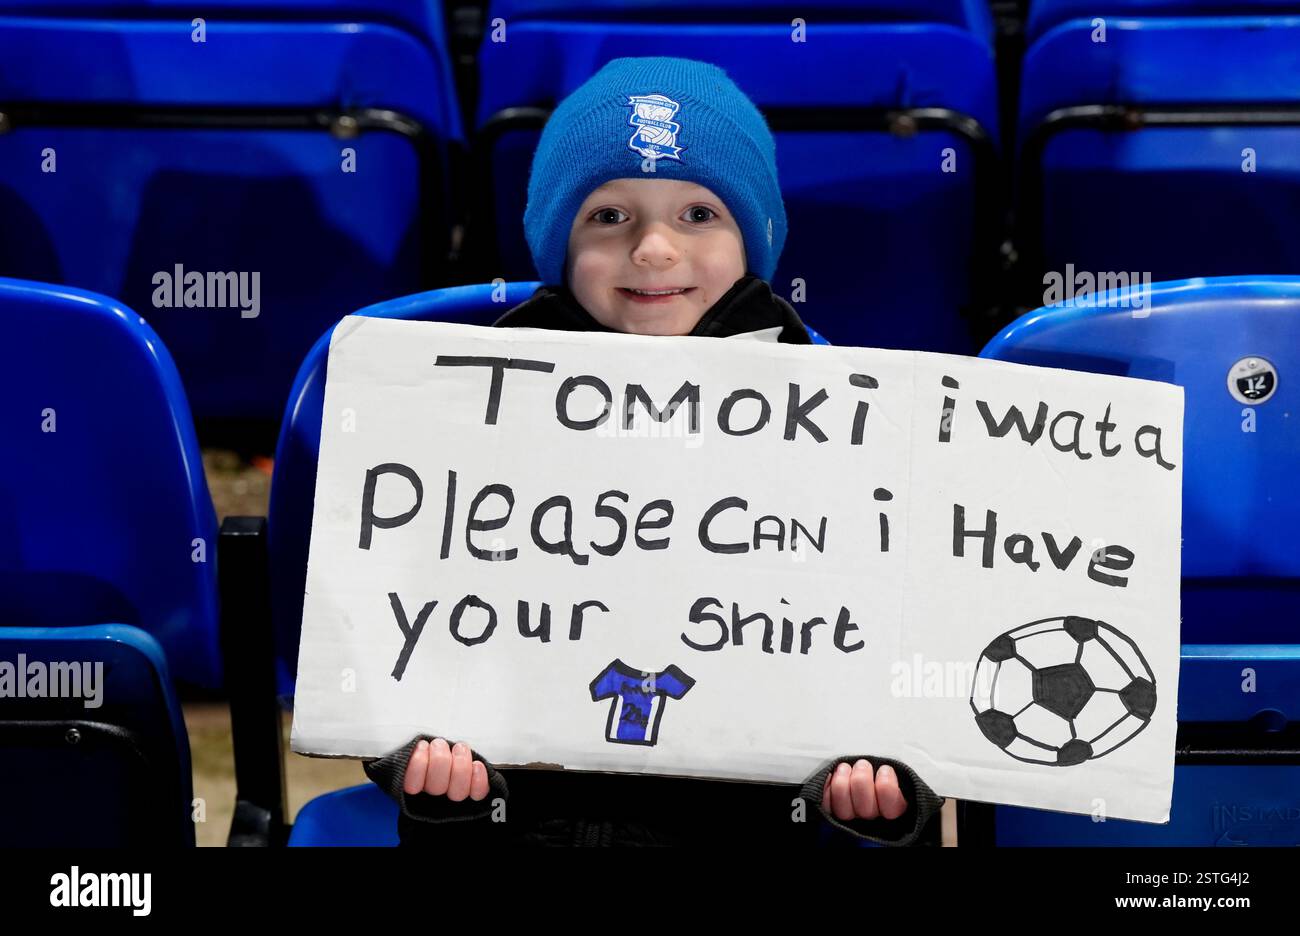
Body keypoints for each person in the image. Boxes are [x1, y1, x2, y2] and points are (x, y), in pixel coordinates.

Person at [364, 57, 941, 846]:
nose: (655, 250)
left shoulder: (837, 414)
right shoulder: (474, 408)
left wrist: (885, 778)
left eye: (700, 214)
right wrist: (422, 759)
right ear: (557, 244)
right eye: (609, 216)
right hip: (519, 819)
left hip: (753, 824)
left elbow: (887, 635)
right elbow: (401, 613)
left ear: (755, 239)